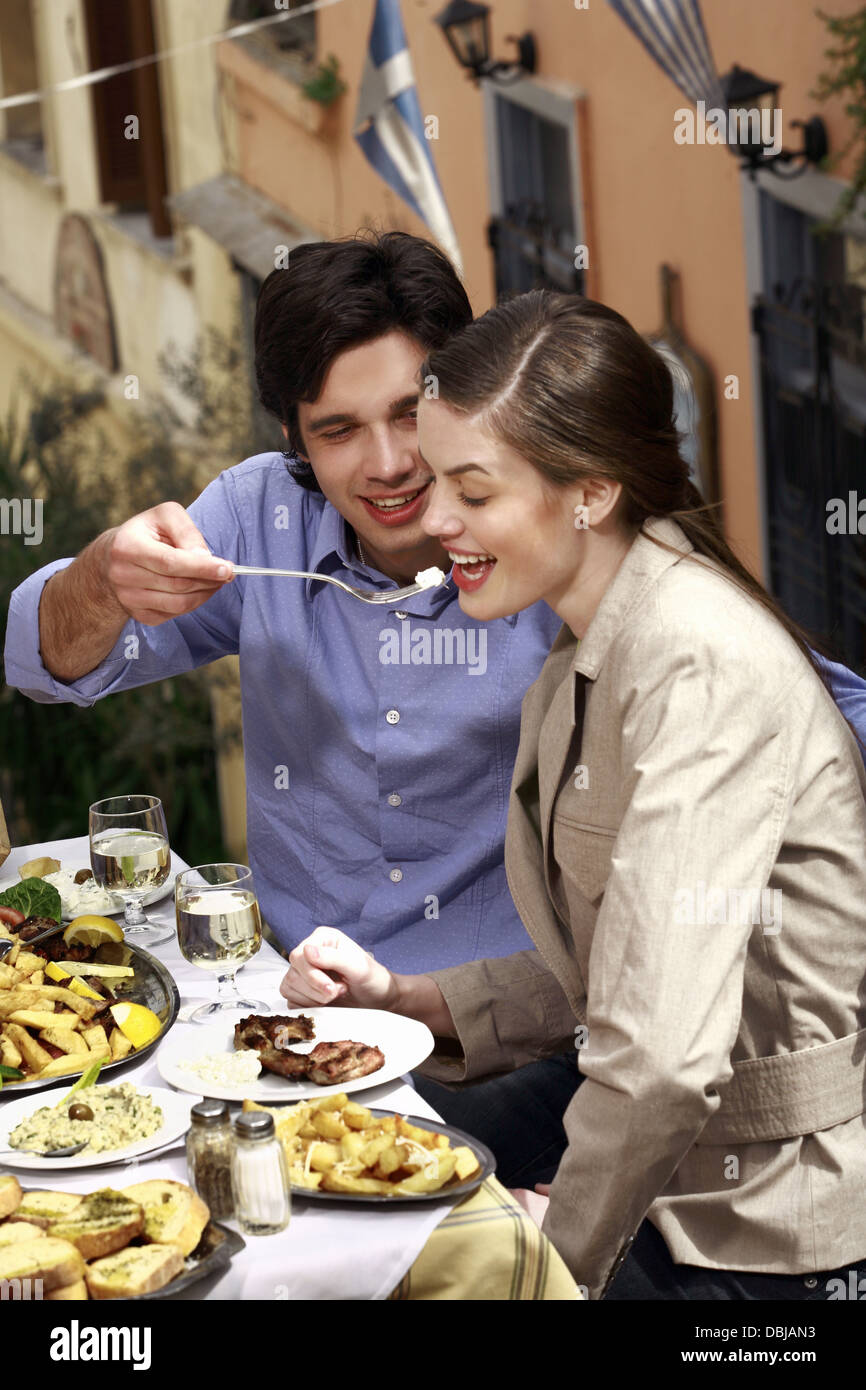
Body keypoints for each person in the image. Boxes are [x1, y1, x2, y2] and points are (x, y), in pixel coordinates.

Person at [279, 289, 866, 1300]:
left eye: (471, 489)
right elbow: (629, 959)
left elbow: (661, 1060)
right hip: (663, 1150)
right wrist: (407, 998)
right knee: (329, 1188)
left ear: (588, 493)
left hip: (766, 1231)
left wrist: (553, 1258)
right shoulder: (588, 646)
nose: (433, 519)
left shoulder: (694, 669)